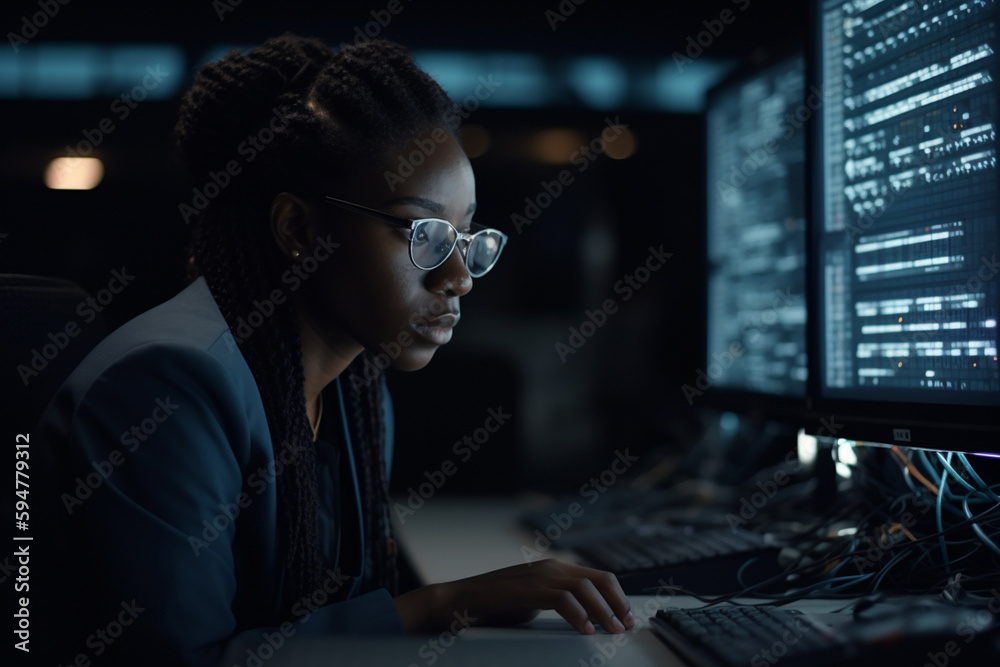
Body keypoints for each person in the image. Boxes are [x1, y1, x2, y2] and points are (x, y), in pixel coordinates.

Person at [33, 33, 633, 666]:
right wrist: (438, 603)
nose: (457, 277)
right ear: (299, 229)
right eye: (424, 234)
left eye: (465, 238)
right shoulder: (168, 383)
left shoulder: (355, 389)